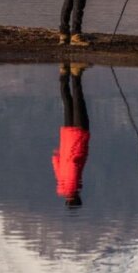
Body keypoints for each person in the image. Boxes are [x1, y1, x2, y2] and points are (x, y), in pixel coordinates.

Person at [53, 63, 90, 207]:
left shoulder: (73, 185)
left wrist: (77, 156)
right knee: (67, 103)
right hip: (66, 138)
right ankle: (63, 73)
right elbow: (55, 160)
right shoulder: (61, 184)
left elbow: (74, 165)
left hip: (78, 138)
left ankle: (76, 72)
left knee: (78, 100)